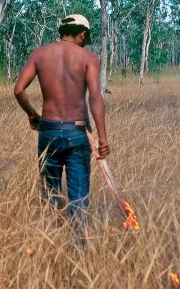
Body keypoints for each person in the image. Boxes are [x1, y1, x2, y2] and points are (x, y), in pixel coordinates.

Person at [13, 13, 110, 246]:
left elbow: (18, 90)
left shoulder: (40, 54)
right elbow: (95, 98)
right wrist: (102, 138)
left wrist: (33, 115)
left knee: (50, 196)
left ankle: (50, 245)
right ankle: (77, 249)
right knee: (78, 198)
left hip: (49, 132)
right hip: (77, 133)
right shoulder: (88, 58)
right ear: (82, 34)